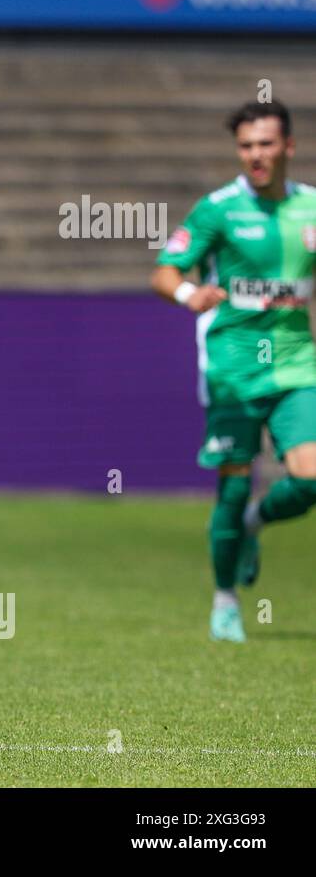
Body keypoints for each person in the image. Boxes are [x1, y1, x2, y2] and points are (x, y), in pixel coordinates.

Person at [151, 101, 316, 643]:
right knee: (232, 486)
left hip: (297, 366)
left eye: (266, 144)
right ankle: (225, 600)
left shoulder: (311, 209)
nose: (255, 156)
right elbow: (164, 271)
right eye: (246, 146)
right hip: (233, 370)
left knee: (310, 476)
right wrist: (188, 292)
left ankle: (254, 525)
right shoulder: (217, 209)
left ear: (288, 147)